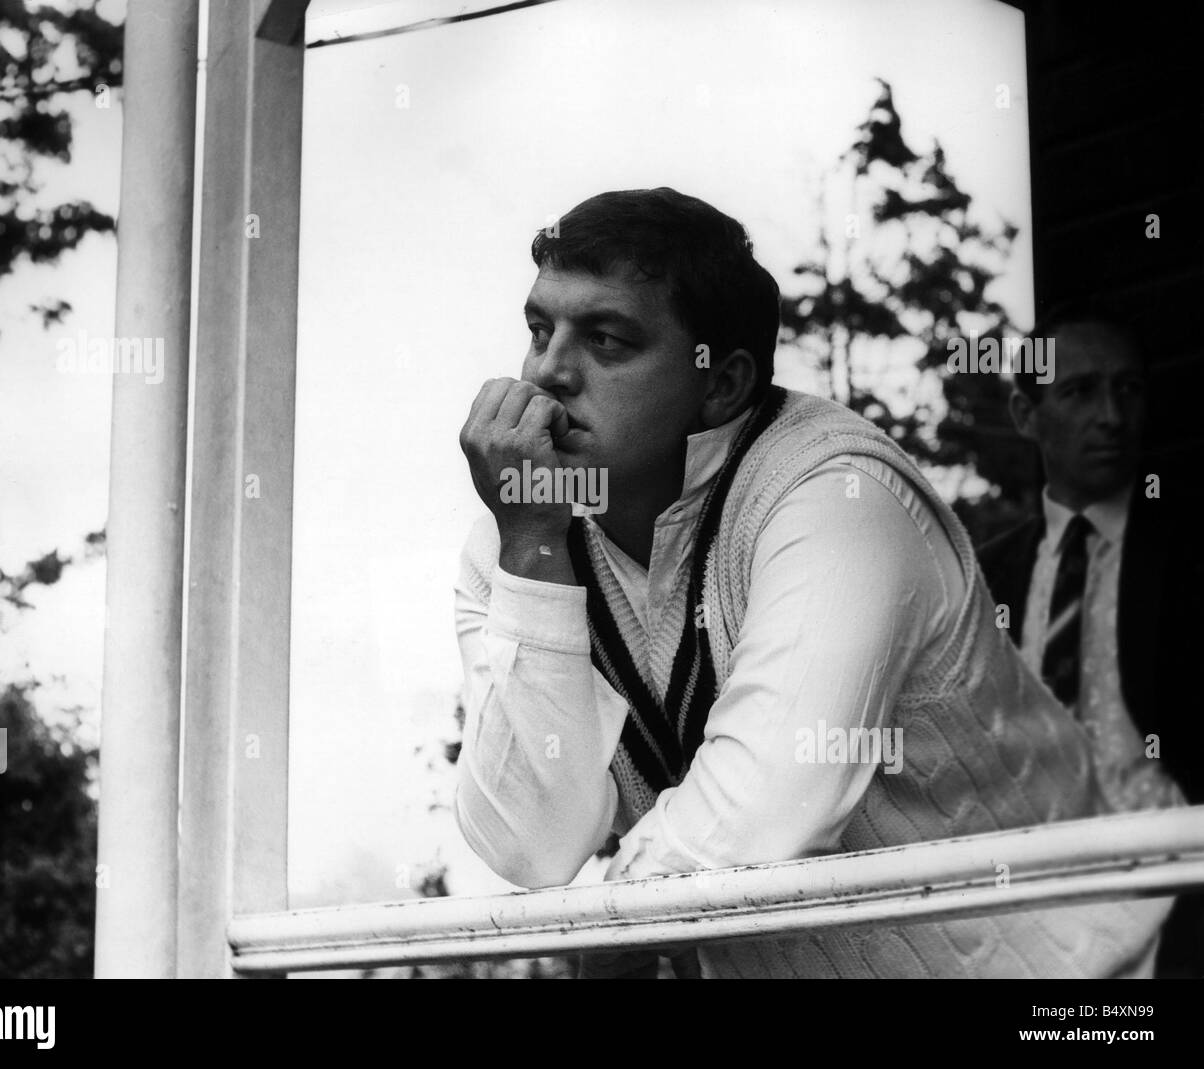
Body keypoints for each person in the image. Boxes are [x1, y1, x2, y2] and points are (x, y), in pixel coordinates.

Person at [453, 188, 1171, 978]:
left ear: (721, 384)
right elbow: (531, 845)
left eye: (608, 340)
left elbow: (756, 818)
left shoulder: (838, 494)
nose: (550, 371)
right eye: (540, 330)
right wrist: (532, 554)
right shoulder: (516, 537)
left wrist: (604, 933)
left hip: (1095, 971)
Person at [977, 310, 1203, 975]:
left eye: (1128, 390)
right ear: (1027, 412)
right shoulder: (985, 575)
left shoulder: (1191, 553)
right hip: (1035, 911)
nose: (1112, 415)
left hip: (1180, 895)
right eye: (1080, 392)